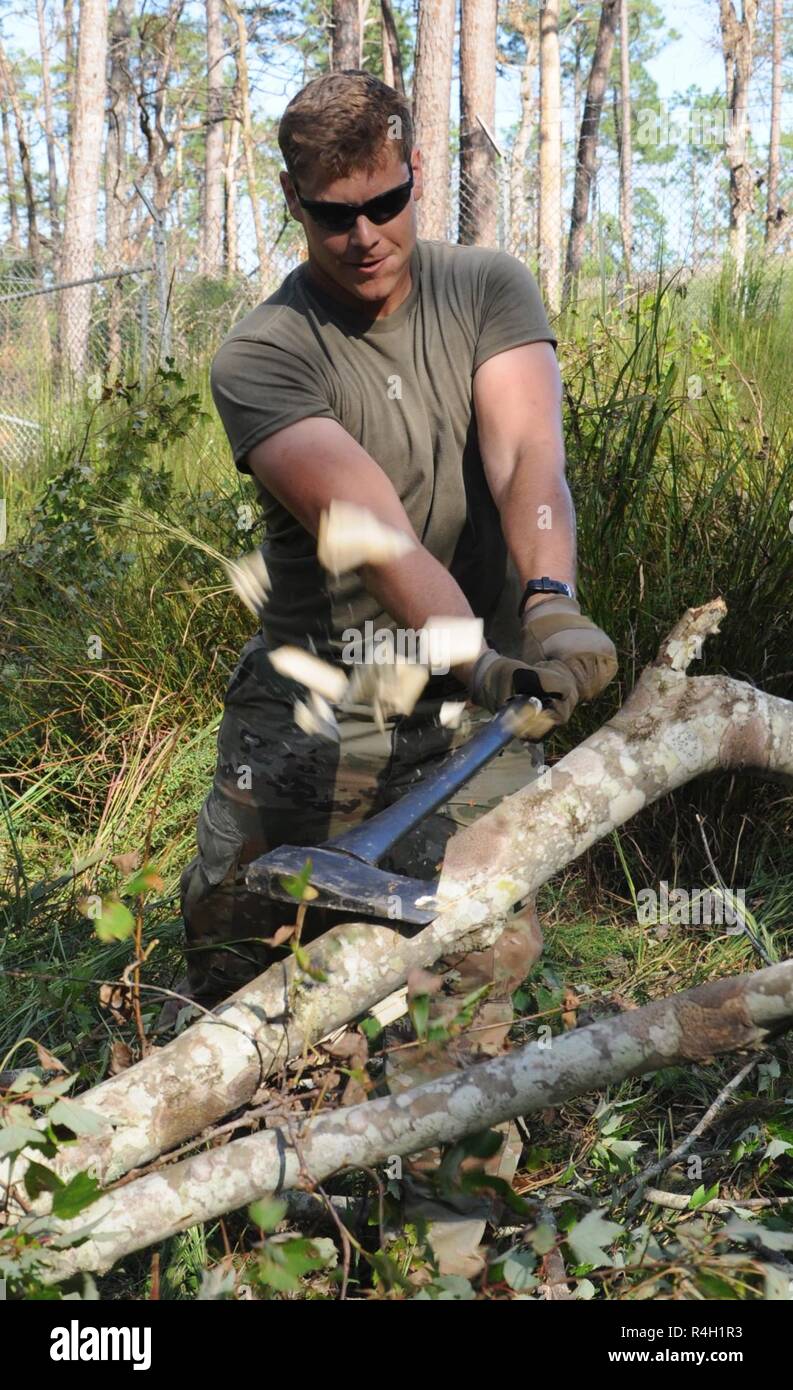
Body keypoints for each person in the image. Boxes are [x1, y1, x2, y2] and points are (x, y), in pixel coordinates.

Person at [170, 69, 617, 1277]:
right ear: (293, 204)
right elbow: (371, 533)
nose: (363, 233)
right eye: (332, 214)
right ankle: (242, 1242)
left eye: (386, 201)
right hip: (312, 711)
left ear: (415, 178)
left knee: (474, 967)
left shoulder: (487, 287)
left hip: (471, 720)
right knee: (241, 979)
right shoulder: (262, 353)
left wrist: (549, 603)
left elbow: (526, 455)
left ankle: (441, 1258)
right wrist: (478, 659)